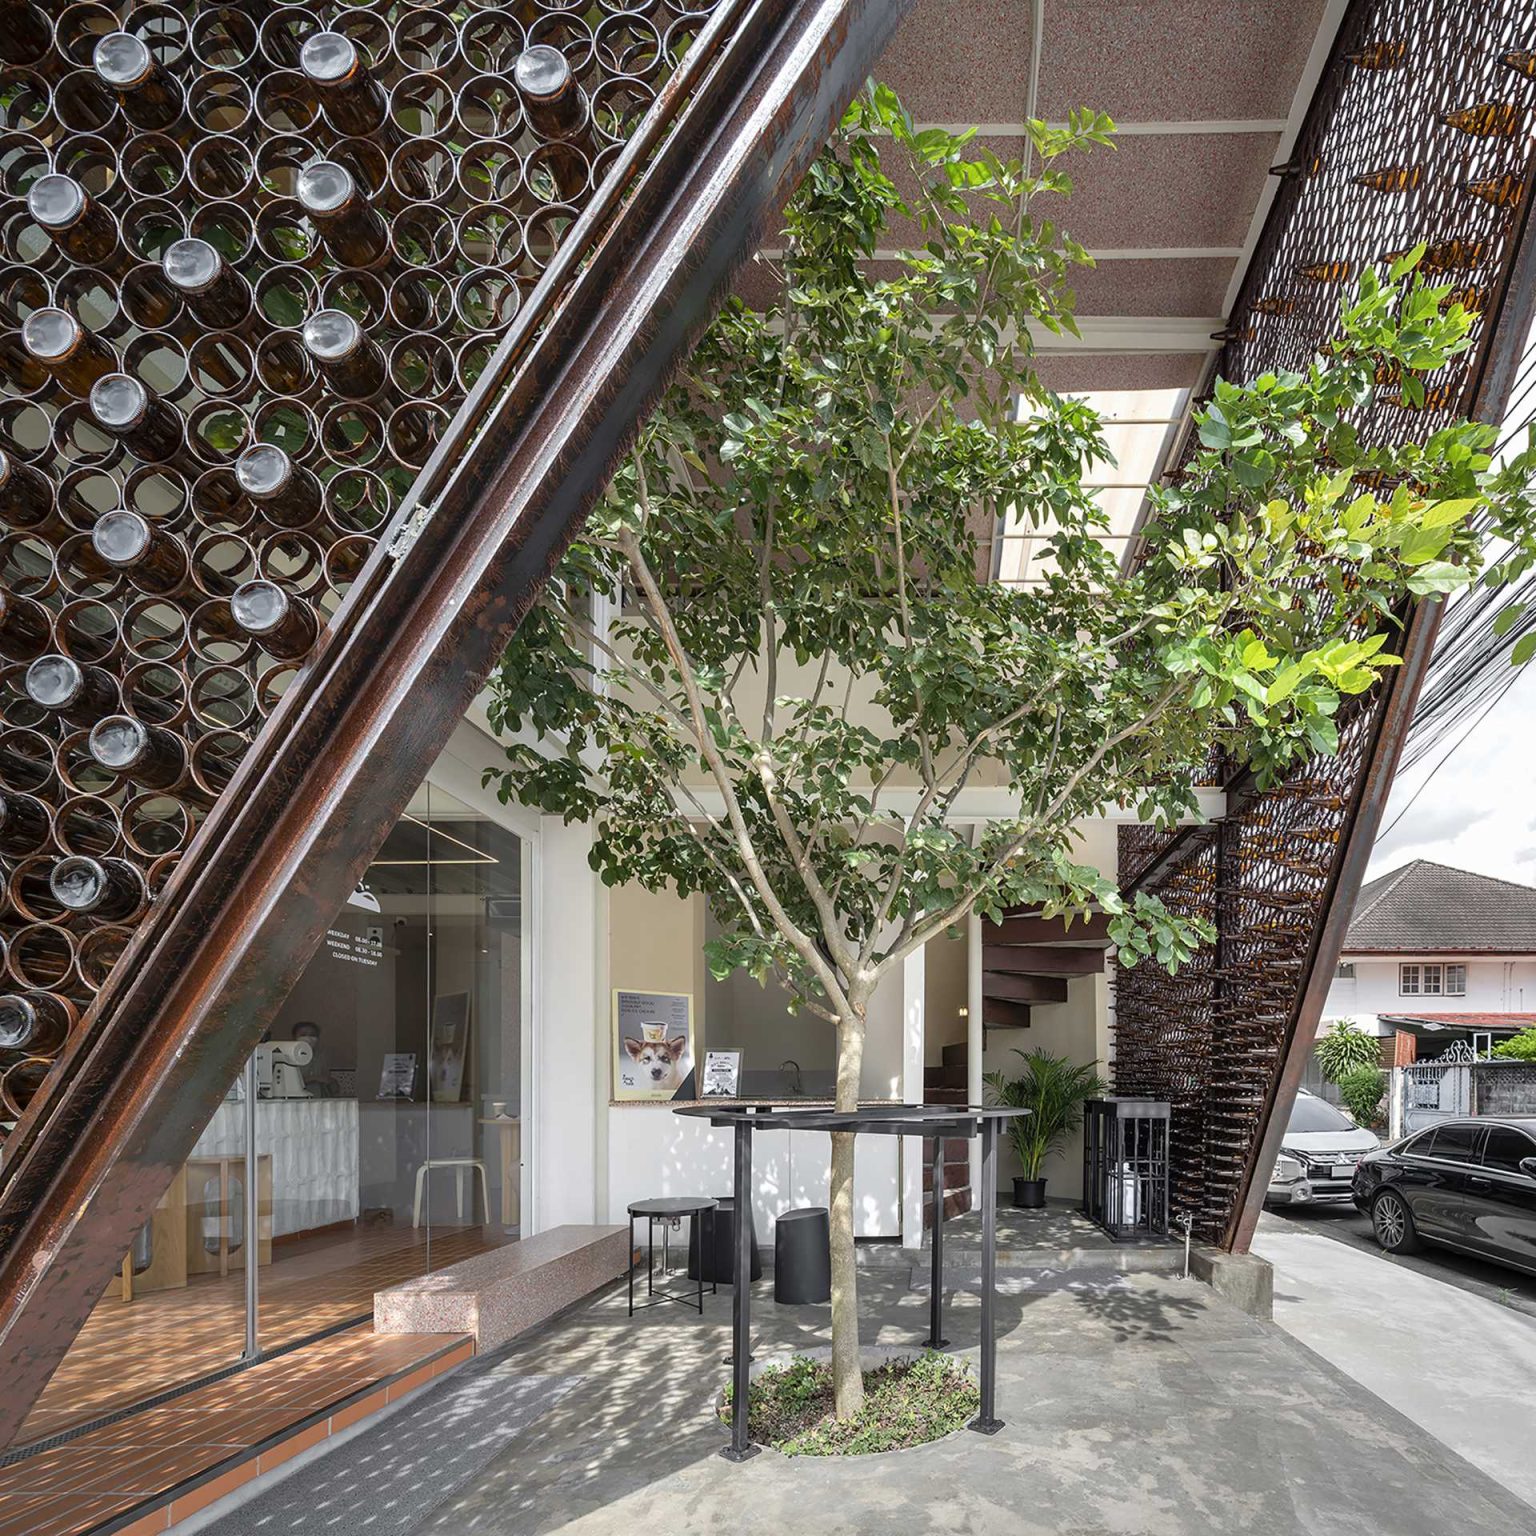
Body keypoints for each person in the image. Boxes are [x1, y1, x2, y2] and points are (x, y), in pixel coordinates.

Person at [291, 1020, 339, 1098]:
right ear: (294, 1037)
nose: (308, 1038)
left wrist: (332, 1082)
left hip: (318, 1101)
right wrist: (314, 1078)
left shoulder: (321, 1057)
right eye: (303, 1034)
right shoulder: (288, 1057)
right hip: (297, 1102)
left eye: (313, 1035)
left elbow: (327, 1080)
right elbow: (288, 1084)